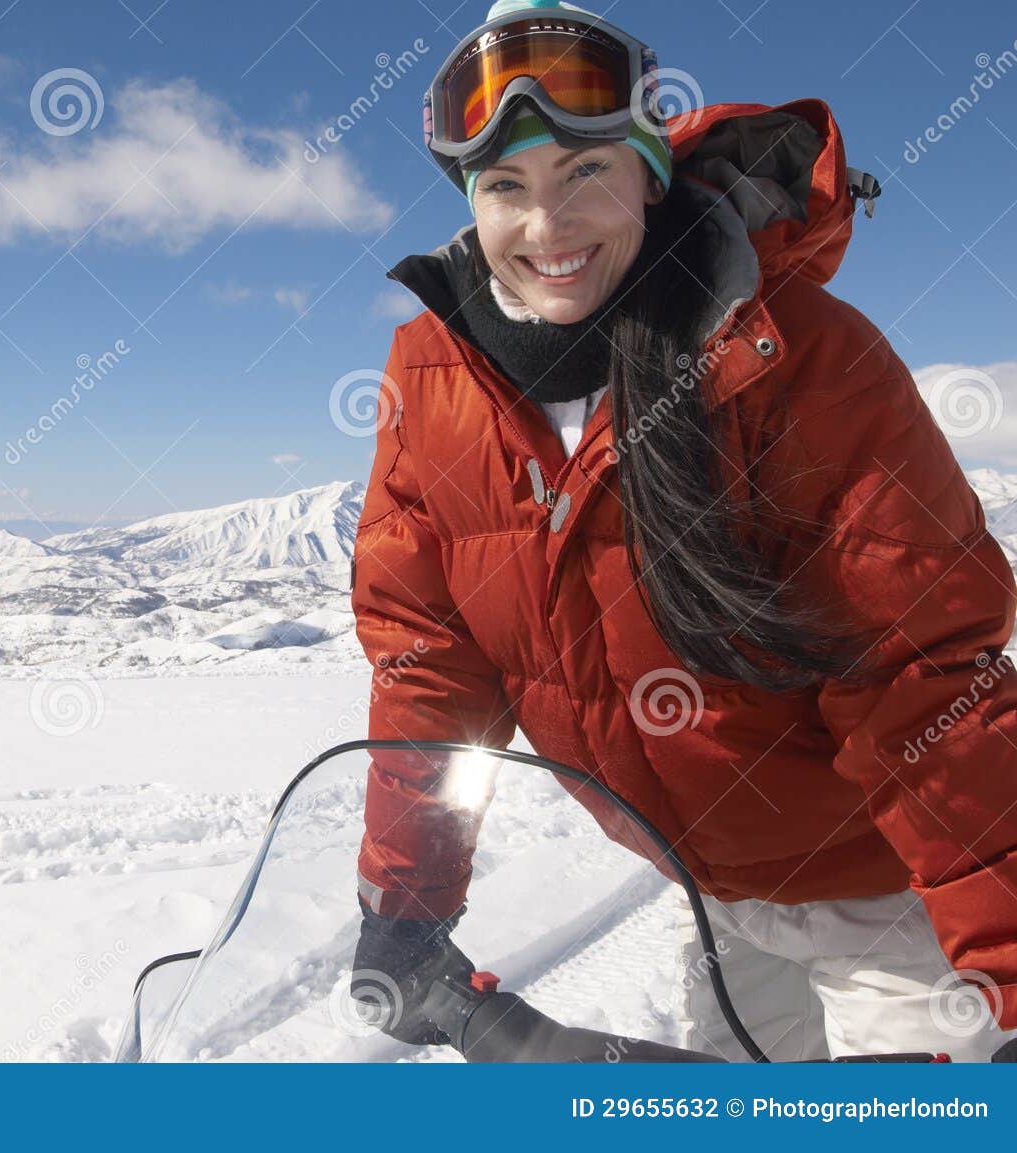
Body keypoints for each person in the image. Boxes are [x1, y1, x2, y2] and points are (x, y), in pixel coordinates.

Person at [349, 0, 1017, 1062]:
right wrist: (405, 901)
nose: (546, 226)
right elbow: (430, 661)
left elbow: (920, 679)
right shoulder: (429, 381)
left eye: (584, 174)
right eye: (506, 187)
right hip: (708, 892)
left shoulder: (795, 358)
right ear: (468, 204)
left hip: (883, 895)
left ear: (648, 175)